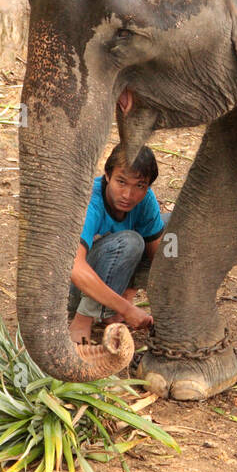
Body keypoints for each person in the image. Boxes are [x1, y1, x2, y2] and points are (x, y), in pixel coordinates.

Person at [66, 144, 168, 345]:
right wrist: (127, 310)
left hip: (114, 278)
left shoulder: (146, 200)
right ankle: (82, 320)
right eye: (121, 182)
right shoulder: (90, 202)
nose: (128, 195)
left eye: (139, 186)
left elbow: (160, 258)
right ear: (107, 175)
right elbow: (73, 266)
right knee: (130, 242)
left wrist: (169, 309)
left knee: (172, 231)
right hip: (73, 291)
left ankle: (111, 310)